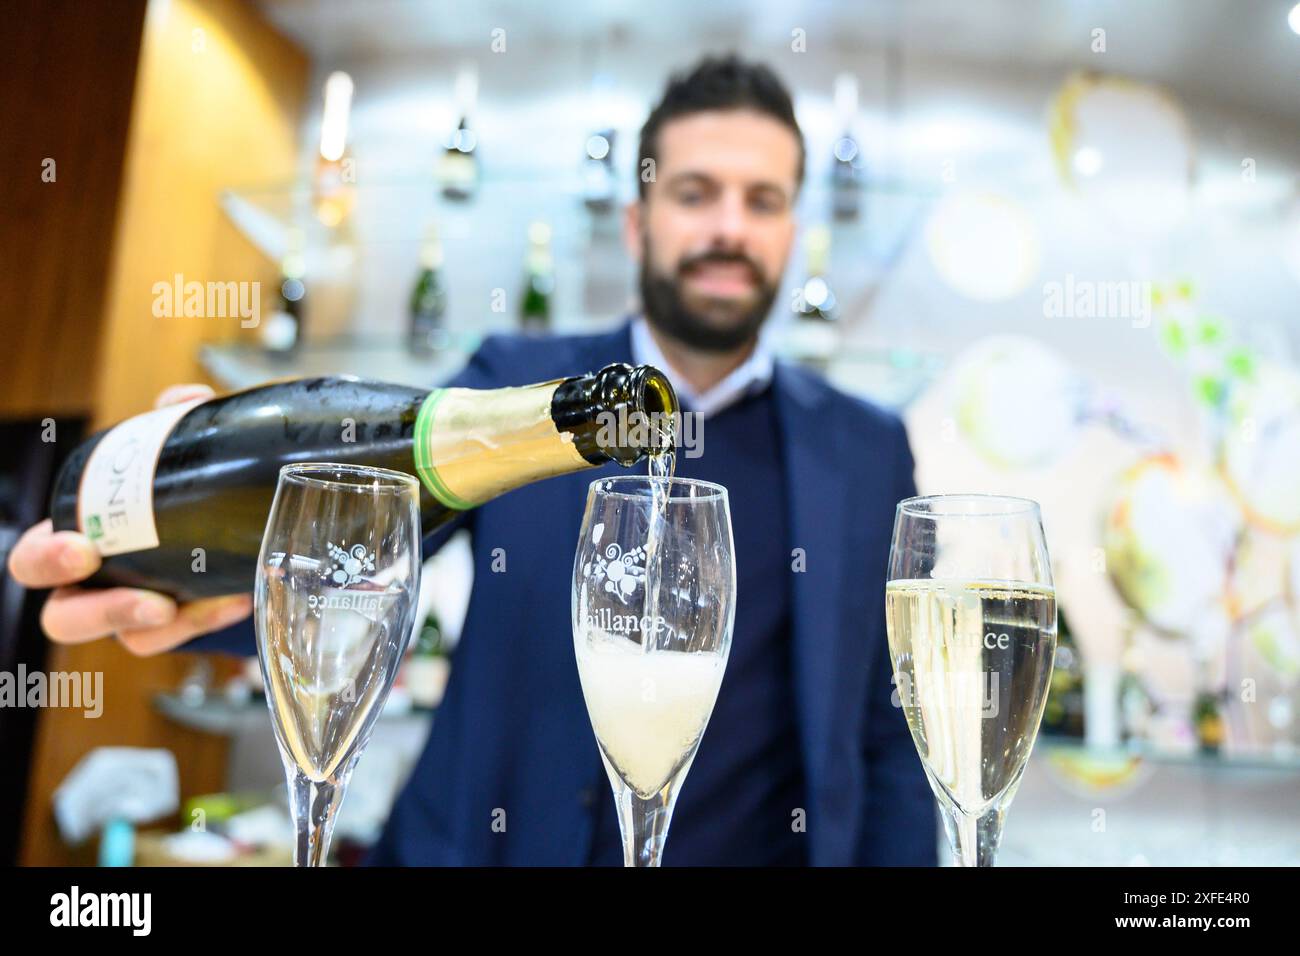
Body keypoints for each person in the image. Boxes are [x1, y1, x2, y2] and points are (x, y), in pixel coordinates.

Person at [9, 54, 935, 866]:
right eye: (695, 192)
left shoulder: (864, 445)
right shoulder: (515, 385)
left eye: (762, 199)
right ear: (637, 222)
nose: (728, 227)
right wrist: (195, 577)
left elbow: (887, 730)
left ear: (790, 227)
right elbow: (360, 550)